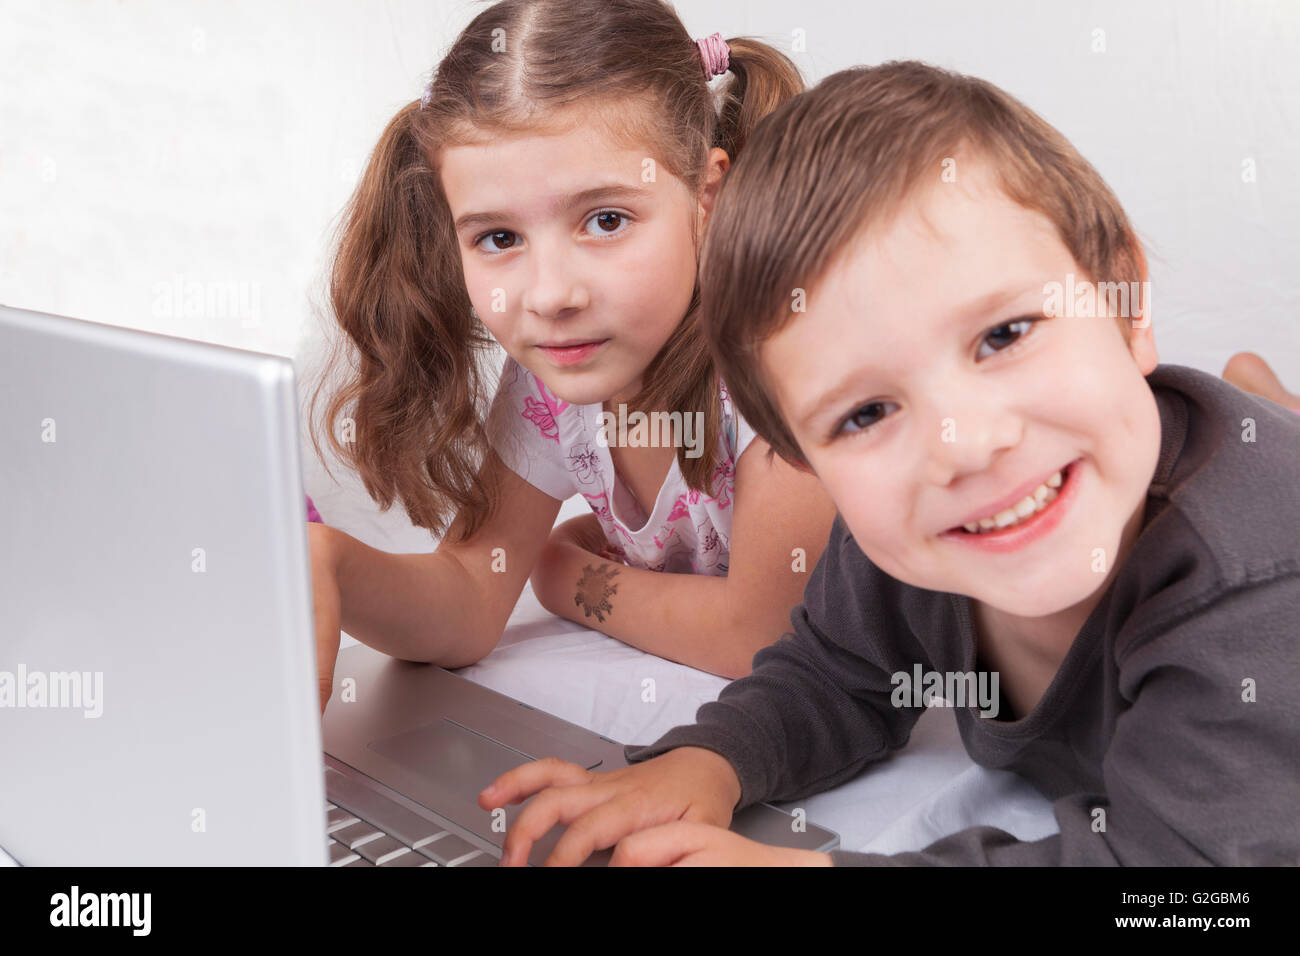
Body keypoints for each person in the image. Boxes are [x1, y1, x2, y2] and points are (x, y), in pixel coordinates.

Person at [480, 61, 1300, 866]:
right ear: (804, 463)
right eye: (867, 413)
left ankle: (1263, 404)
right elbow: (835, 675)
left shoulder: (1252, 587)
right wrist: (711, 761)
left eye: (1005, 334)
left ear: (1126, 298)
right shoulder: (911, 531)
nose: (962, 445)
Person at [304, 0, 837, 711]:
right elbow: (468, 595)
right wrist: (333, 564)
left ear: (707, 199)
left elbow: (762, 636)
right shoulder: (552, 384)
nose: (550, 295)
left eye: (606, 220)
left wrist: (560, 574)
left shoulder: (780, 365)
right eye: (498, 238)